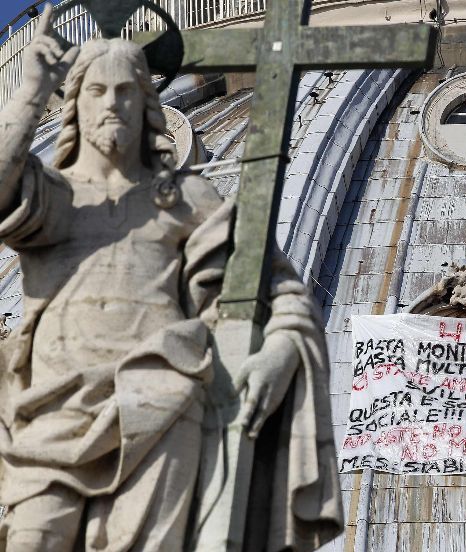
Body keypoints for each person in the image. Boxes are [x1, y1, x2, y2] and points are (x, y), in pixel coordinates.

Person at [0, 8, 341, 550]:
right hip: (51, 410)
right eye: (96, 92)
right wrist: (31, 89)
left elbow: (275, 290)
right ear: (75, 105)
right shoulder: (54, 198)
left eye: (126, 91)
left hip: (161, 401)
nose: (112, 104)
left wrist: (280, 351)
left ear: (147, 104)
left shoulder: (187, 199)